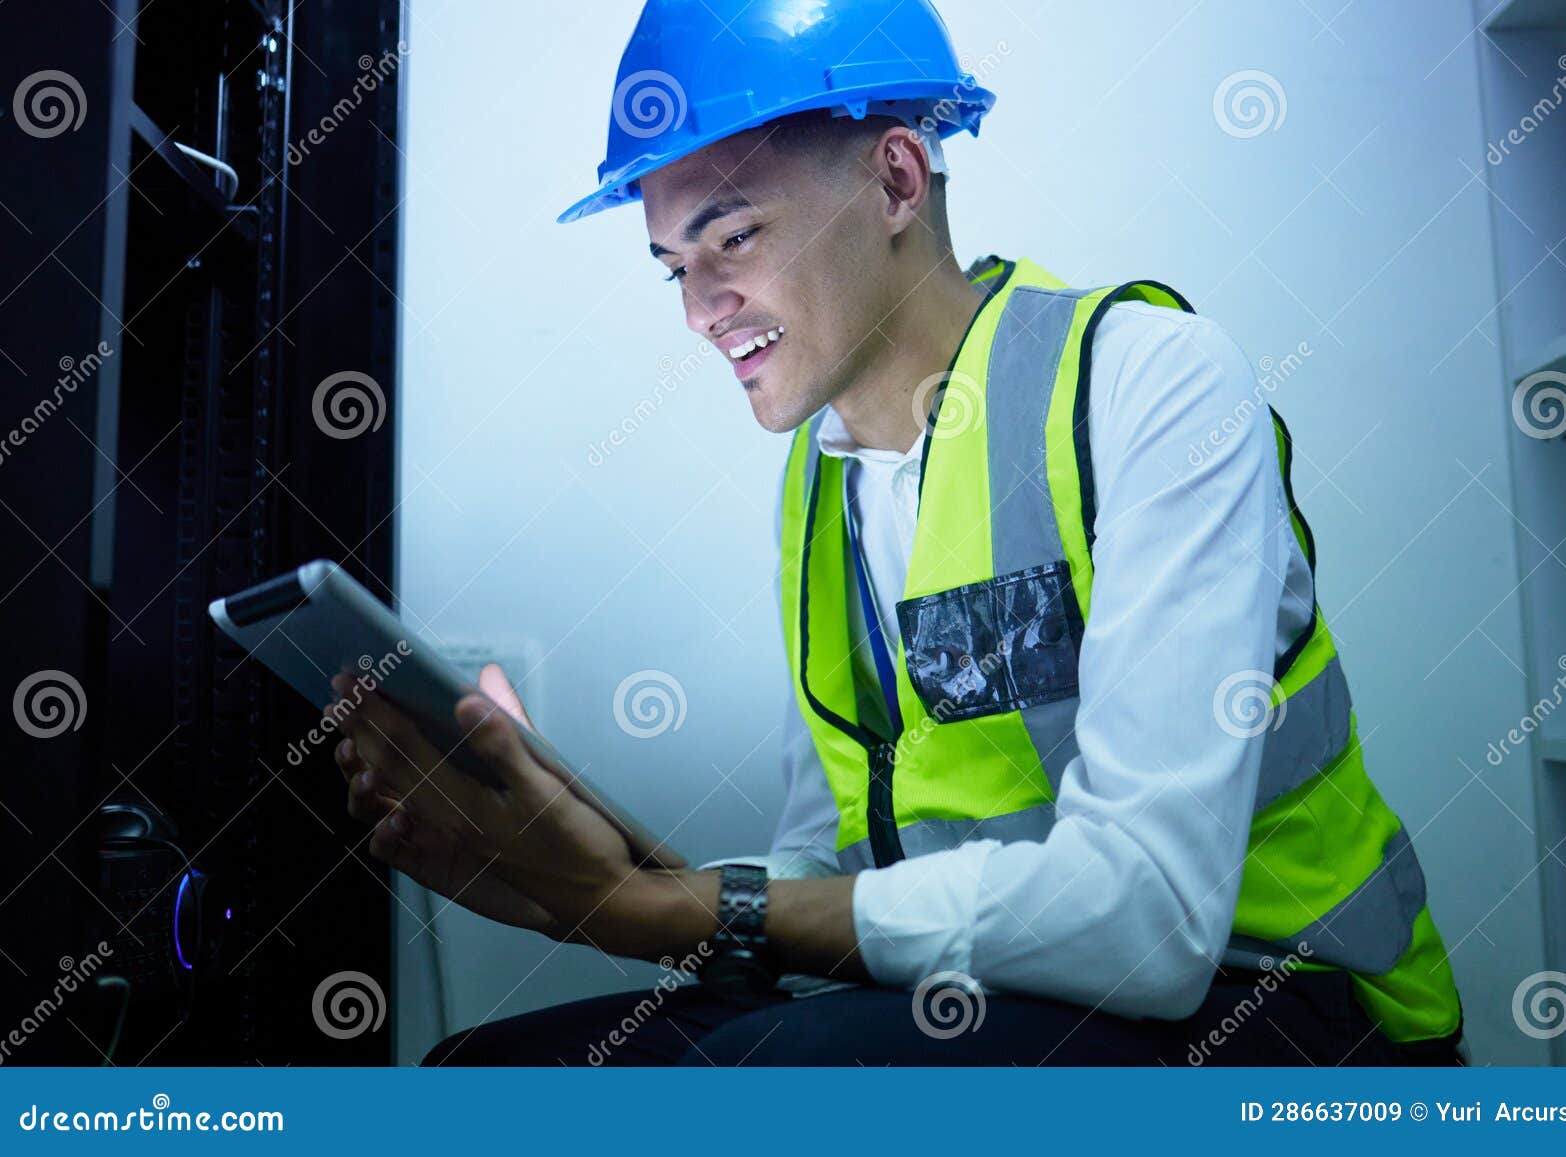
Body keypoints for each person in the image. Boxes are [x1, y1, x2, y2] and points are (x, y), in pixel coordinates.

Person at [329, 0, 1465, 1065]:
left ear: (896, 177)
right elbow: (825, 876)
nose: (695, 307)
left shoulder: (1147, 384)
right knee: (478, 1072)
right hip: (1009, 994)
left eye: (731, 237)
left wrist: (651, 908)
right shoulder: (818, 484)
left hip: (1284, 1003)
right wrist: (558, 865)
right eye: (674, 264)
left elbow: (1150, 920)